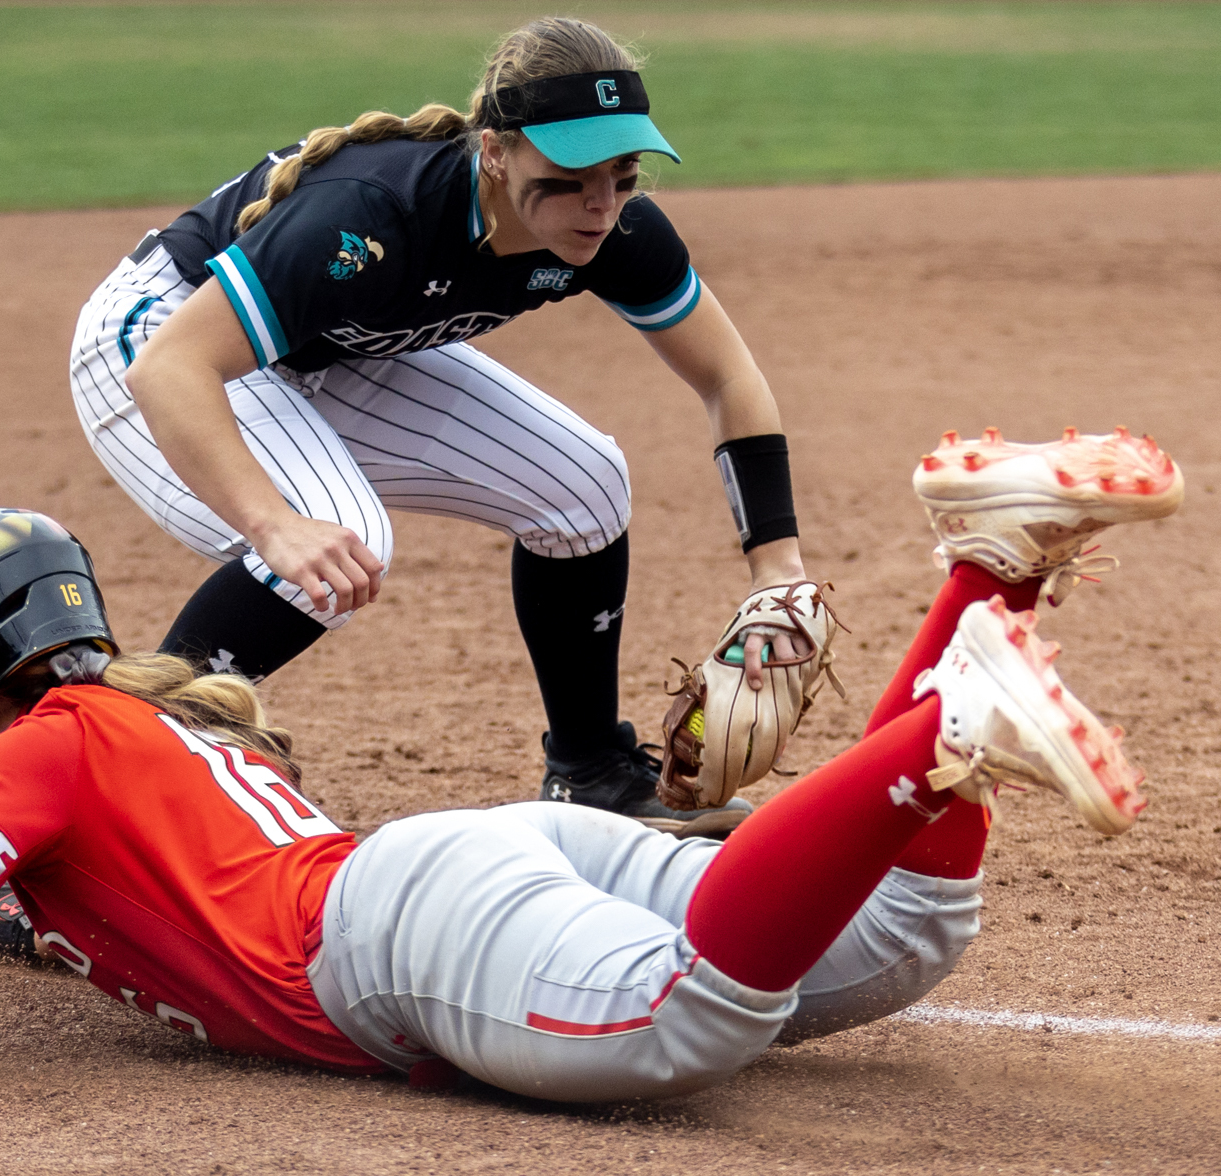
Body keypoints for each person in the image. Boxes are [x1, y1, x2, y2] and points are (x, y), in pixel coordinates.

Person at [0, 427, 1182, 1101]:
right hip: (466, 872)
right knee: (890, 943)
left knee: (688, 1017)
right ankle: (989, 575)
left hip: (398, 932)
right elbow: (3, 911)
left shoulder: (44, 752)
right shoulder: (152, 726)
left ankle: (943, 732)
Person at [70, 17, 815, 832]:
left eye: (624, 173)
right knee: (338, 542)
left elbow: (728, 374)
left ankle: (590, 767)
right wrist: (274, 524)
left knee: (583, 484)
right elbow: (172, 369)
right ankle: (97, 797)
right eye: (569, 175)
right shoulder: (369, 217)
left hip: (324, 350)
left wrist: (777, 567)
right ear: (497, 152)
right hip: (157, 338)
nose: (600, 203)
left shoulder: (613, 230)